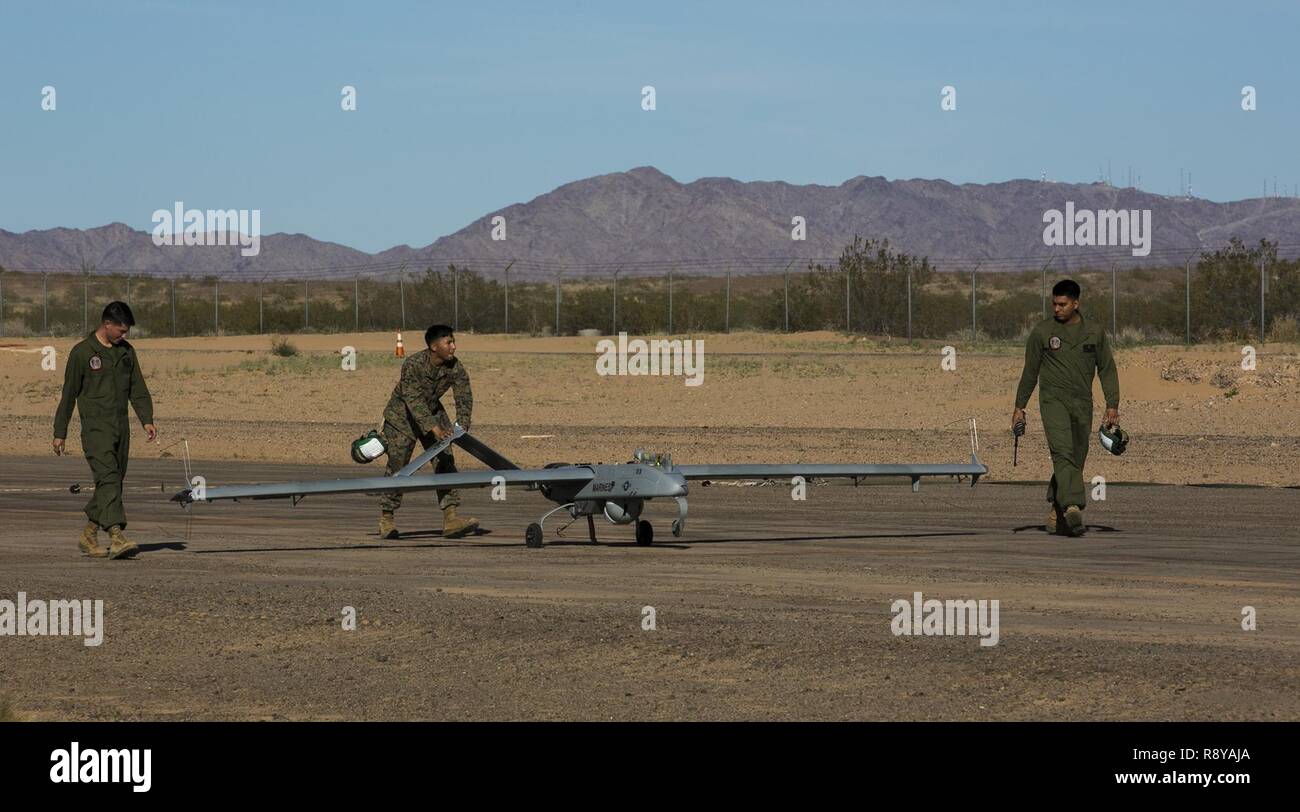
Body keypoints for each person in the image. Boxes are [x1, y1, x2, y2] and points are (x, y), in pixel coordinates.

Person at [1012, 279, 1120, 537]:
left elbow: (1107, 368)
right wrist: (1020, 406)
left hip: (1082, 402)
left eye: (1062, 304)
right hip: (1053, 401)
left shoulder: (1094, 332)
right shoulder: (1042, 332)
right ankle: (1073, 506)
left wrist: (1112, 404)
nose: (1057, 309)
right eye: (1054, 304)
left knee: (1076, 456)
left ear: (1076, 304)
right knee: (1062, 452)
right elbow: (1030, 371)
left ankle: (1055, 508)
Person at [53, 301, 157, 559]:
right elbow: (68, 395)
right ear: (106, 324)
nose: (124, 336)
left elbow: (138, 388)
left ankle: (88, 535)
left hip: (121, 428)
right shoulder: (82, 353)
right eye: (121, 331)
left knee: (112, 483)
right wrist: (60, 431)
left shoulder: (126, 352)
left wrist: (147, 419)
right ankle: (116, 535)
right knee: (109, 478)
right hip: (96, 429)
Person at [378, 324, 480, 539]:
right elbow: (413, 401)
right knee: (399, 465)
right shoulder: (413, 364)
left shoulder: (455, 367)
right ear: (434, 347)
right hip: (402, 416)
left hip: (433, 411)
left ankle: (451, 518)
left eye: (453, 341)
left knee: (445, 460)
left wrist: (461, 426)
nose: (453, 346)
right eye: (448, 342)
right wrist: (434, 429)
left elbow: (464, 395)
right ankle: (386, 519)